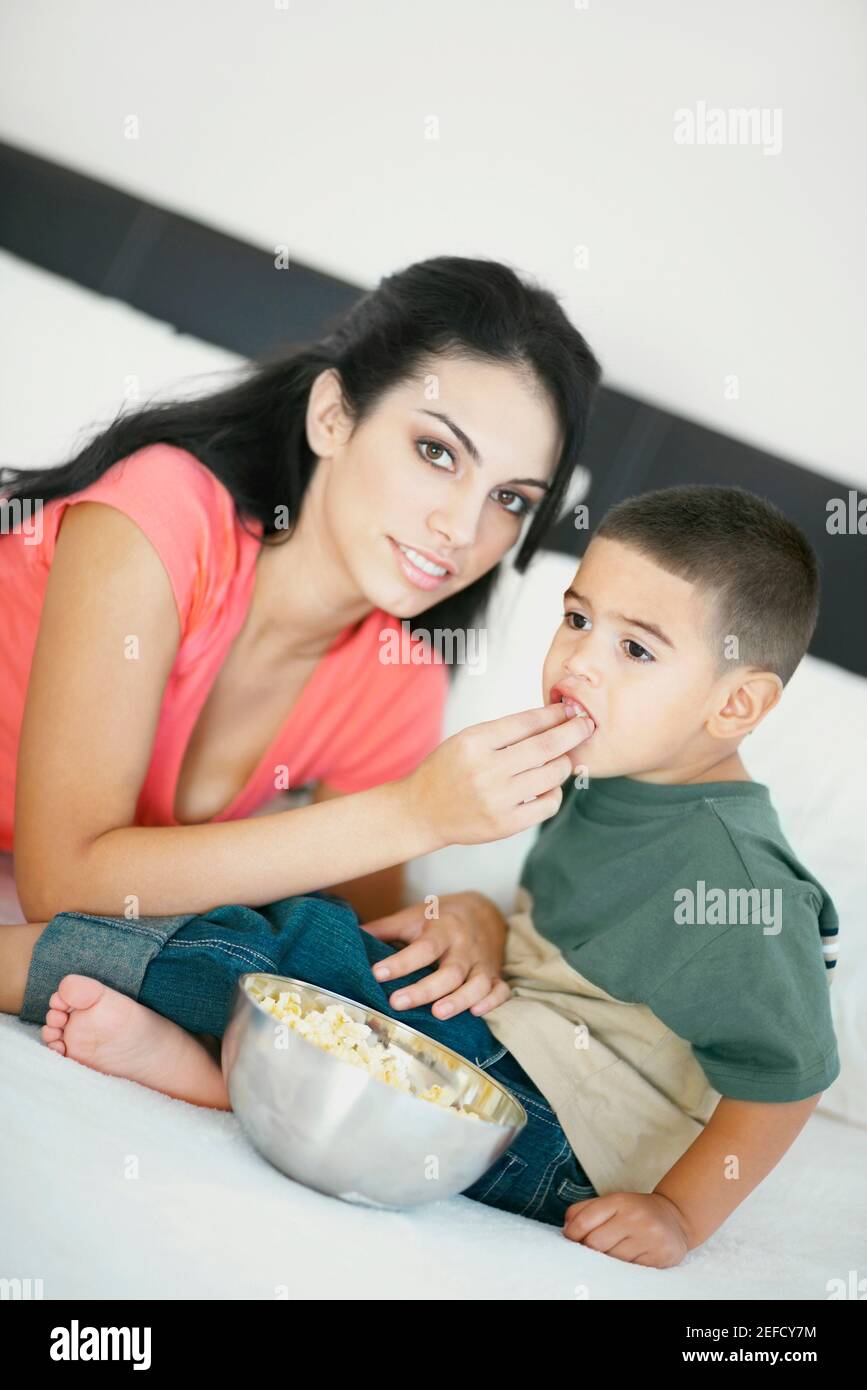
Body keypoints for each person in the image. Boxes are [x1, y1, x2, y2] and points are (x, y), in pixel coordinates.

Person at [16, 484, 842, 1268]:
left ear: (733, 706)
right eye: (577, 619)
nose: (580, 661)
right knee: (322, 931)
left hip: (561, 1133)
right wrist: (476, 913)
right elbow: (555, 950)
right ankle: (225, 1079)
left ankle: (34, 965)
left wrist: (681, 1212)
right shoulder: (603, 768)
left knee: (295, 951)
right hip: (509, 1043)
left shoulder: (735, 880)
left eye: (633, 648)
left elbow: (786, 1078)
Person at [0, 254, 601, 1023]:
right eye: (436, 452)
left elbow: (354, 929)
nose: (461, 528)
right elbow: (63, 881)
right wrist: (415, 811)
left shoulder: (395, 675)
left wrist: (464, 918)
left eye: (510, 500)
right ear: (332, 416)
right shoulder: (161, 515)